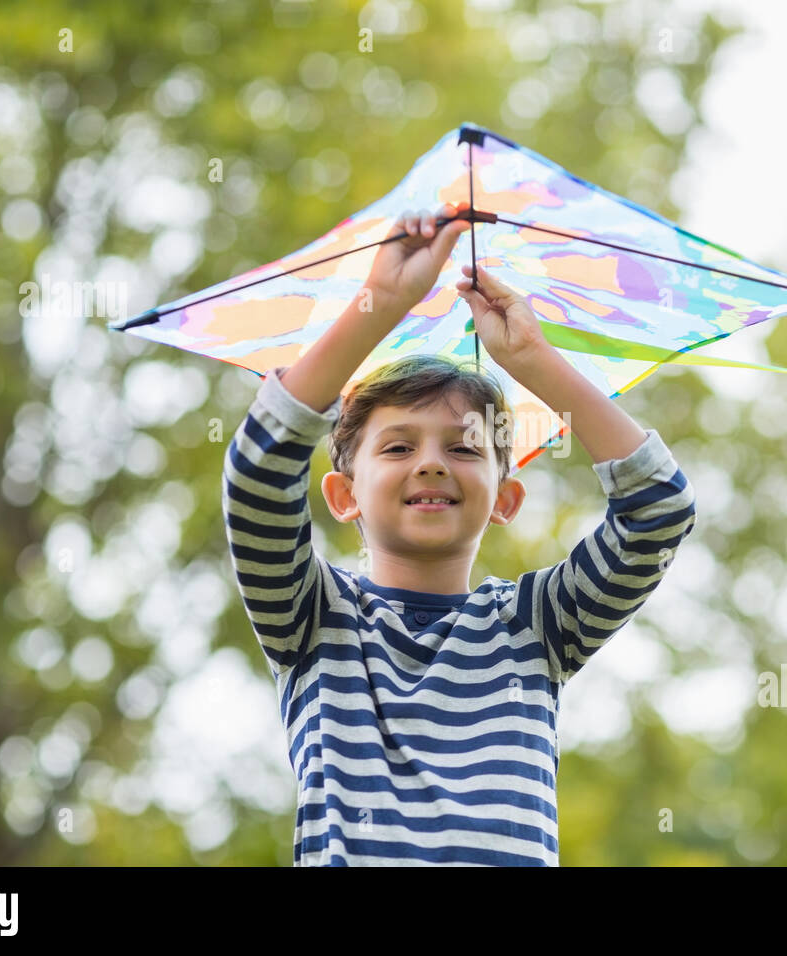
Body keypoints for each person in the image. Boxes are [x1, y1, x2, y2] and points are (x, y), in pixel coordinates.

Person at [222, 200, 697, 865]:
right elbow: (256, 474)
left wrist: (535, 361)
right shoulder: (311, 618)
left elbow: (659, 513)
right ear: (342, 494)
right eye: (396, 448)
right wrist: (380, 303)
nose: (431, 462)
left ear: (505, 498)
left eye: (465, 448)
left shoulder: (537, 625)